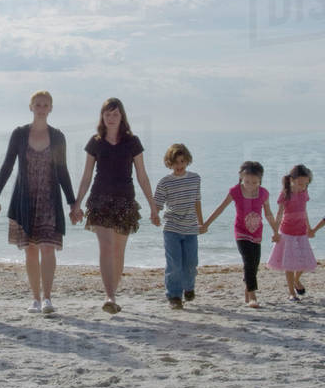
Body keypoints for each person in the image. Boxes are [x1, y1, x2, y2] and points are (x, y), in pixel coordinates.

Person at [0, 91, 78, 314]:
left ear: (50, 108)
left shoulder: (57, 136)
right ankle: (35, 299)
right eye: (37, 104)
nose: (41, 107)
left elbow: (62, 170)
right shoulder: (19, 134)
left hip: (49, 199)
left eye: (45, 104)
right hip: (24, 199)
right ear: (31, 107)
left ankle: (48, 298)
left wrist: (72, 203)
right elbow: (7, 165)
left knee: (48, 249)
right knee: (30, 250)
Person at [71, 97, 160, 314]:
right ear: (102, 116)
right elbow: (86, 176)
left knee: (119, 251)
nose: (111, 118)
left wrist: (153, 205)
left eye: (115, 114)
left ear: (122, 117)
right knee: (107, 247)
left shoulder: (132, 142)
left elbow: (142, 176)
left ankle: (113, 293)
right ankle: (109, 295)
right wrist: (77, 203)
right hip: (100, 200)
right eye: (107, 114)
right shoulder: (95, 142)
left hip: (125, 201)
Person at [202, 160, 278, 308]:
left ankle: (247, 288)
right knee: (248, 262)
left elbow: (268, 214)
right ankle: (252, 296)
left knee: (254, 264)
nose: (250, 185)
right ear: (241, 177)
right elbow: (220, 208)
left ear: (260, 180)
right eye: (247, 181)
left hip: (257, 232)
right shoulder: (235, 191)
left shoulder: (264, 193)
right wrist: (206, 224)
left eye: (255, 182)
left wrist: (276, 231)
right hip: (241, 232)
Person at [153, 143, 204, 310]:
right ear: (169, 163)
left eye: (182, 161)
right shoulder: (165, 182)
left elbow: (197, 201)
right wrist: (155, 215)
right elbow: (158, 203)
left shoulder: (195, 178)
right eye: (176, 162)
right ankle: (174, 296)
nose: (179, 166)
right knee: (174, 264)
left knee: (191, 263)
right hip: (171, 228)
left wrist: (201, 222)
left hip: (190, 228)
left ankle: (189, 287)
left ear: (187, 161)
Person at [266, 164, 318, 301]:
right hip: (287, 232)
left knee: (305, 260)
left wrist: (309, 228)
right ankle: (291, 292)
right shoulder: (285, 194)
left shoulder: (304, 193)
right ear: (291, 180)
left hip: (301, 232)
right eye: (300, 183)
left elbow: (304, 211)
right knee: (289, 264)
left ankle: (296, 279)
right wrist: (275, 232)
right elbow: (279, 214)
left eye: (305, 184)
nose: (303, 186)